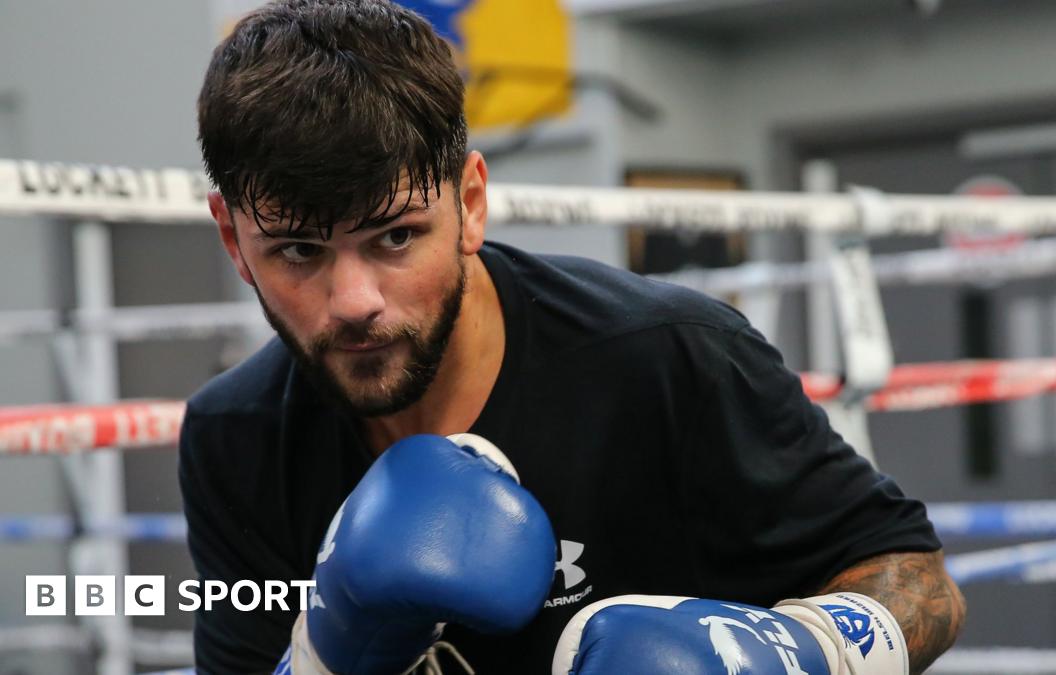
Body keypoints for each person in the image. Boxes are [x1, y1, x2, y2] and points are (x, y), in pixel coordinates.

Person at [183, 1, 966, 673]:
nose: (354, 302)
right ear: (232, 241)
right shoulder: (237, 438)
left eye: (395, 237)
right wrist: (325, 650)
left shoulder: (669, 355)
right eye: (298, 251)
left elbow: (919, 579)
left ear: (472, 203)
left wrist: (791, 648)